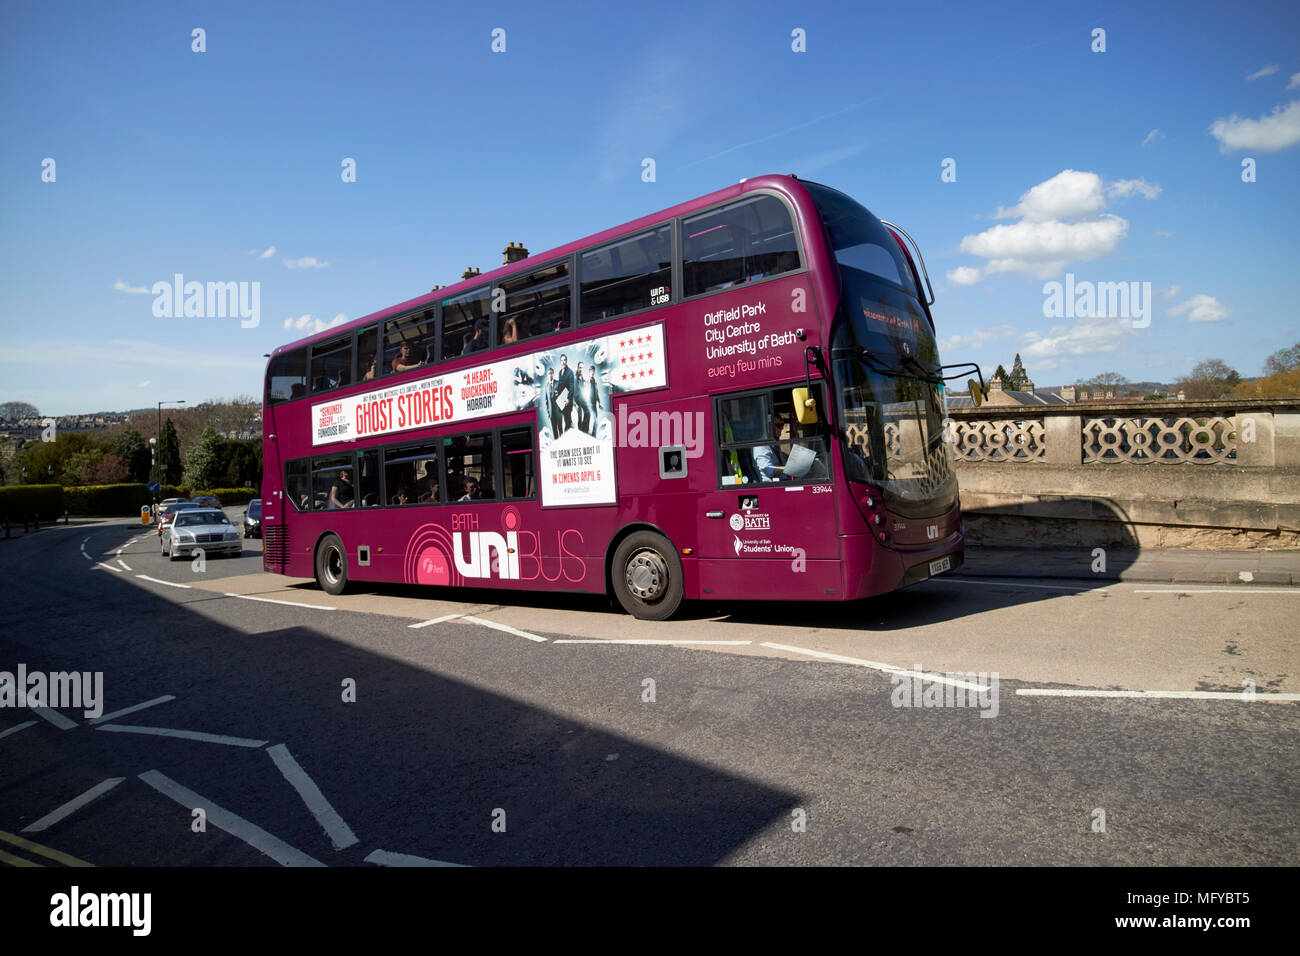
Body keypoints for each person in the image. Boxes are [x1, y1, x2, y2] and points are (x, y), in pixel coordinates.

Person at [575, 365, 601, 435]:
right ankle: (585, 432)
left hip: (594, 402)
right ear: (589, 372)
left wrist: (599, 402)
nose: (592, 373)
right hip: (589, 402)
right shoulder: (586, 382)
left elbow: (597, 392)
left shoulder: (595, 382)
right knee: (588, 417)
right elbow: (583, 391)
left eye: (593, 371)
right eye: (591, 371)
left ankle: (593, 434)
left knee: (595, 418)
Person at [553, 355, 575, 434]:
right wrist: (557, 391)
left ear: (566, 361)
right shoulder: (559, 372)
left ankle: (567, 438)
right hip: (561, 400)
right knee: (565, 419)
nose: (563, 362)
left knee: (567, 421)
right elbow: (560, 386)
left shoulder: (570, 372)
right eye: (562, 360)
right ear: (560, 362)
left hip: (567, 401)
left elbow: (572, 387)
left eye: (564, 360)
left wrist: (569, 399)